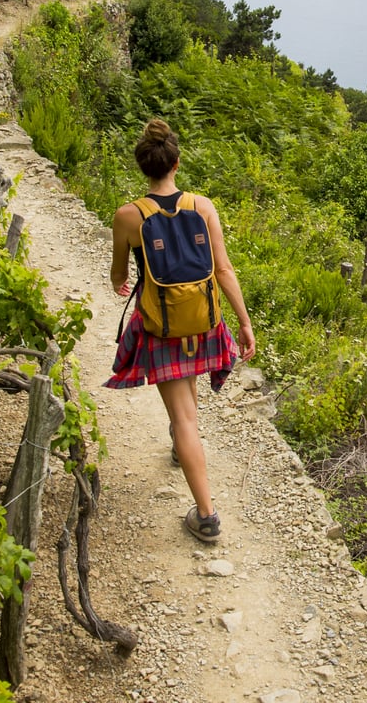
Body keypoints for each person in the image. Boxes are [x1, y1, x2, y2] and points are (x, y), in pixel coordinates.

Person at [105, 118, 255, 544]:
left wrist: (122, 281)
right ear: (176, 162)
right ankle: (179, 444)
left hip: (161, 329)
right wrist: (243, 323)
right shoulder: (202, 207)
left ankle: (206, 516)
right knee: (186, 411)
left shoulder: (127, 216)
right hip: (204, 322)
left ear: (144, 167)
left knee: (184, 417)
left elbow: (119, 275)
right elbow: (223, 270)